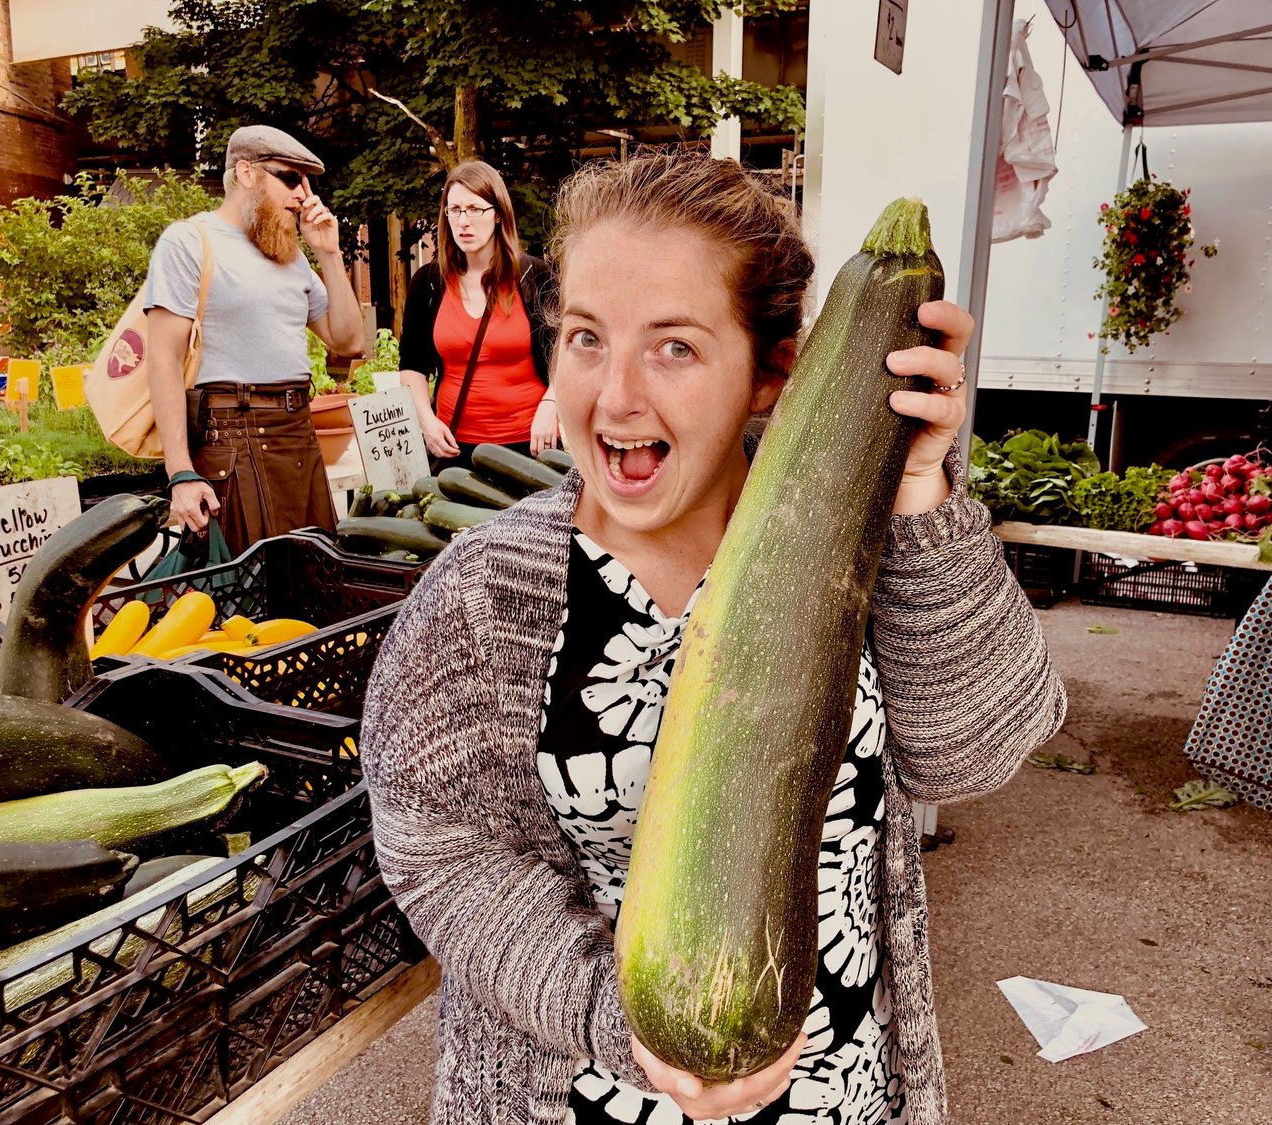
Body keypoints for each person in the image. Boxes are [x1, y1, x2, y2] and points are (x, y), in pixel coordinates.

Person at [361, 151, 1066, 1125]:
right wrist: (619, 1016)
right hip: (582, 1097)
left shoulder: (858, 545)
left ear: (773, 372)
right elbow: (438, 852)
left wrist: (918, 493)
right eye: (584, 339)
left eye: (675, 348)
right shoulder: (483, 595)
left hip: (840, 1095)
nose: (614, 397)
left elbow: (976, 750)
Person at [146, 124, 367, 551]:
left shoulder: (290, 255)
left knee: (309, 591)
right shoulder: (189, 241)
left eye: (307, 182)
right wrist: (181, 473)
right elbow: (164, 361)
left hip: (298, 433)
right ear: (246, 173)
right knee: (246, 600)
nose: (304, 194)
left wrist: (328, 254)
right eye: (290, 178)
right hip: (231, 436)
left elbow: (349, 341)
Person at [398, 160, 558, 469]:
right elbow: (412, 365)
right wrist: (426, 420)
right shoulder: (428, 283)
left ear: (498, 214)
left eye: (474, 209)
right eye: (454, 210)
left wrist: (553, 405)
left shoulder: (535, 277)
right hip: (453, 448)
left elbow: (568, 352)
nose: (463, 222)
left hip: (530, 447)